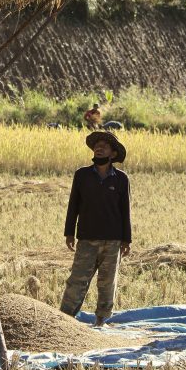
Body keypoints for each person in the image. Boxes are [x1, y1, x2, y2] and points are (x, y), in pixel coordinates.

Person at [60, 132, 131, 327]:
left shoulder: (121, 179)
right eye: (97, 145)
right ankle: (65, 319)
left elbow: (125, 210)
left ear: (113, 153)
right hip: (87, 238)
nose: (99, 148)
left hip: (113, 240)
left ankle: (101, 320)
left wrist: (127, 240)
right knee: (77, 281)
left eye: (104, 146)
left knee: (107, 283)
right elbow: (73, 204)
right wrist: (69, 232)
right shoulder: (82, 175)